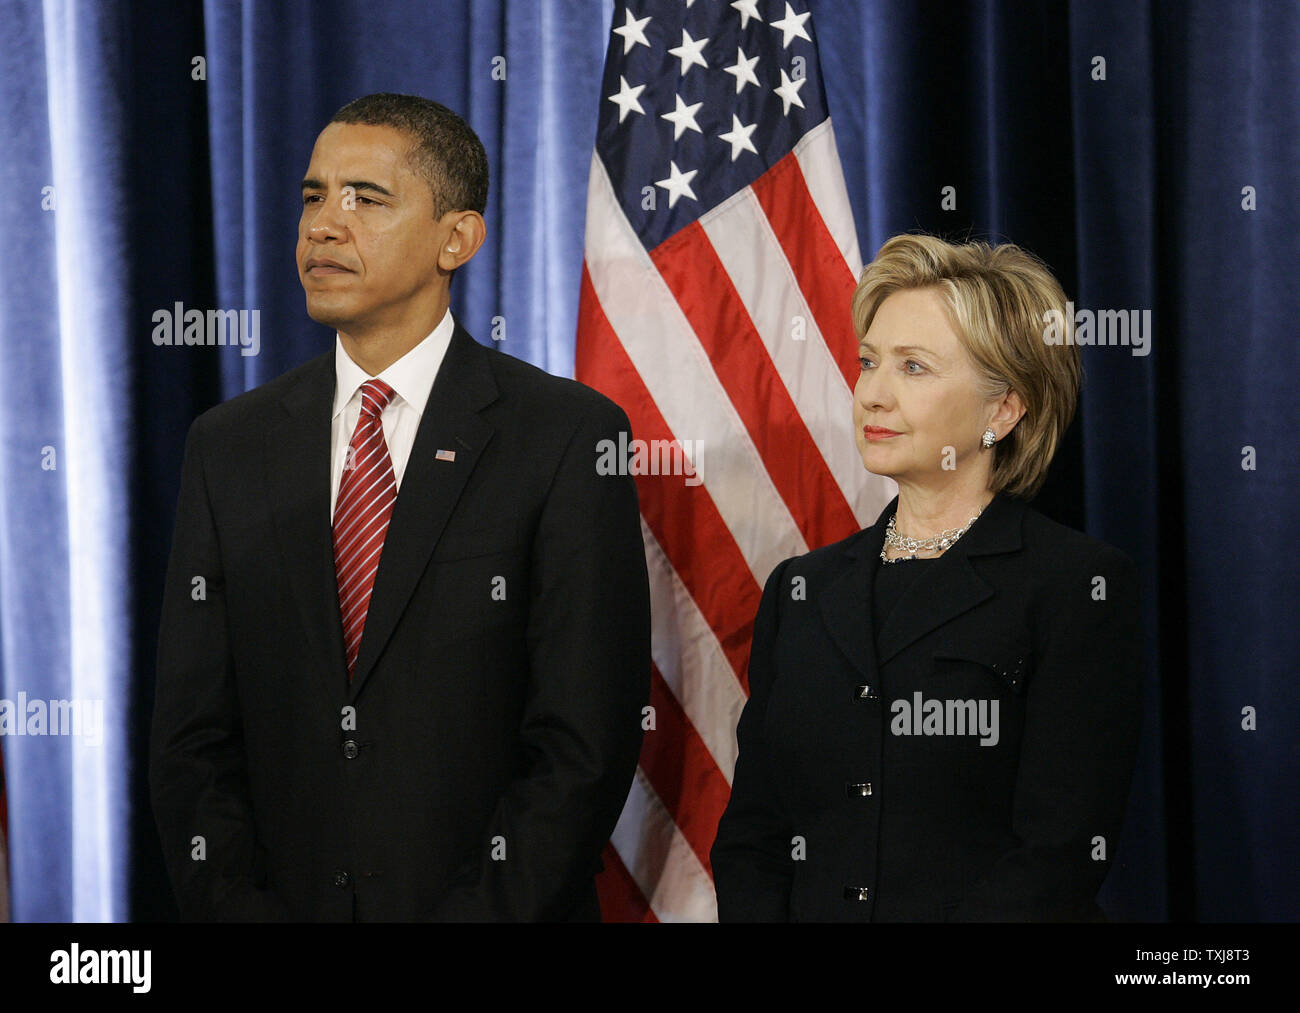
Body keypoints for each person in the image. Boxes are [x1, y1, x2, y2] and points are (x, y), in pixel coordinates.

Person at [150, 93, 650, 921]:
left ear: (457, 237)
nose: (322, 225)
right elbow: (190, 741)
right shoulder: (228, 445)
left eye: (365, 199)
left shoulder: (564, 438)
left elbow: (582, 744)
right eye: (313, 196)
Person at [711, 234, 1143, 921]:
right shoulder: (801, 590)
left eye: (914, 367)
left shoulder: (1074, 586)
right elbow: (753, 836)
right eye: (869, 361)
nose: (873, 394)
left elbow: (1060, 852)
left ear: (1004, 409)